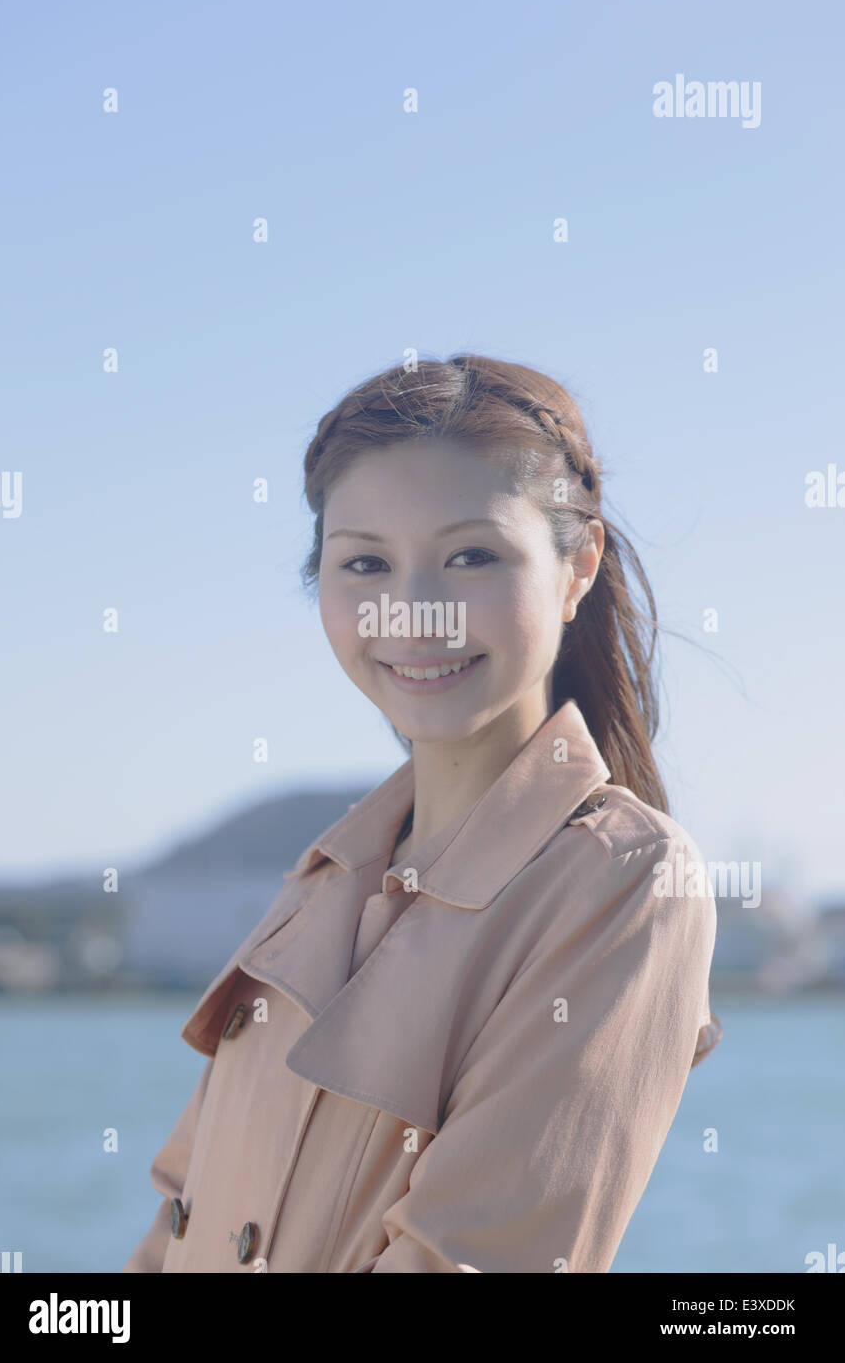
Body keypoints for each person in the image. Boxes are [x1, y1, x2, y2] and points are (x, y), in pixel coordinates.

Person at [122, 353, 722, 1274]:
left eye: (471, 556)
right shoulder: (326, 877)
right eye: (364, 562)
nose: (415, 612)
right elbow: (176, 1230)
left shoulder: (625, 883)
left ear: (578, 566)